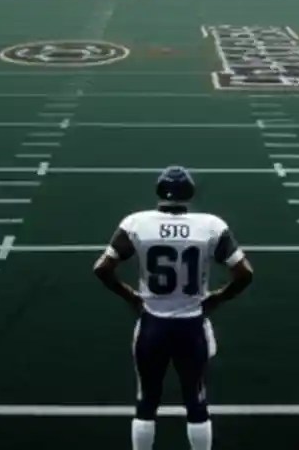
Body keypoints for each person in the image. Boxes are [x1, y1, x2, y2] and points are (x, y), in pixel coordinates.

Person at [92, 166, 254, 450]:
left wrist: (131, 295)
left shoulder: (136, 223)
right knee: (196, 402)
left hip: (152, 324)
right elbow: (244, 274)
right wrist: (217, 297)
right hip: (192, 325)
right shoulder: (211, 225)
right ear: (190, 193)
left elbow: (102, 268)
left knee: (146, 402)